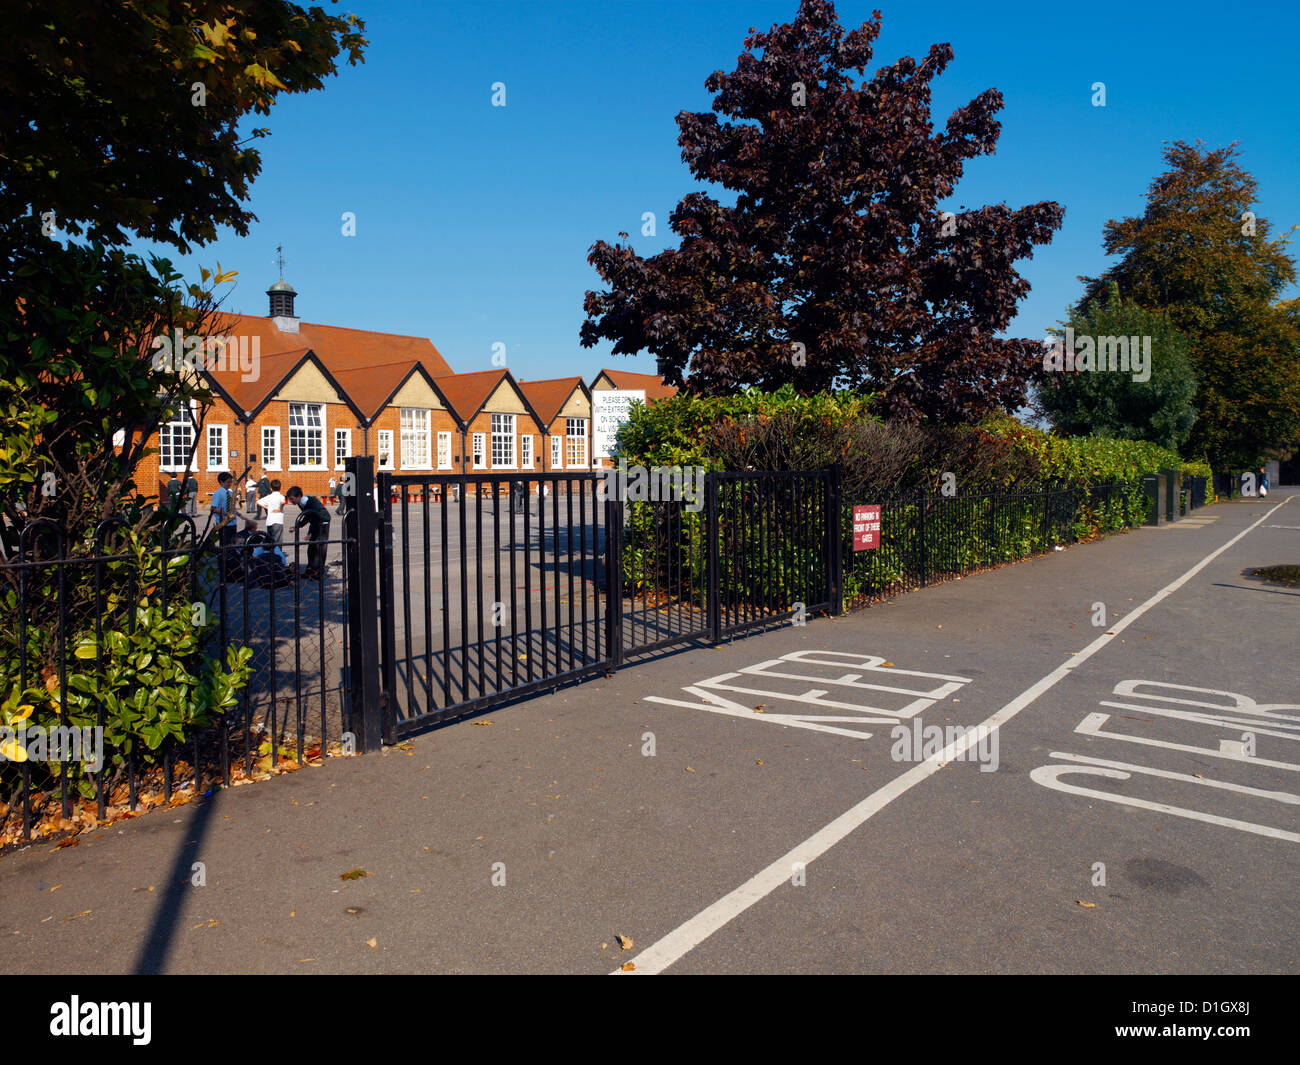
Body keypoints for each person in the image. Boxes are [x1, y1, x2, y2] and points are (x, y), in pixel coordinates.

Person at [285, 485, 331, 580]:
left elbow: (315, 517)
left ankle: (318, 572)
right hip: (315, 523)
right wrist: (297, 526)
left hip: (322, 522)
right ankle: (310, 571)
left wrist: (310, 532)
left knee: (319, 549)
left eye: (292, 499)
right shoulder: (301, 503)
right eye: (290, 499)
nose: (291, 501)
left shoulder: (309, 502)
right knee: (311, 549)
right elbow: (307, 516)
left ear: (299, 496)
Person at [258, 478, 286, 545]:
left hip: (270, 520)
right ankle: (277, 553)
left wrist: (267, 508)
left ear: (271, 488)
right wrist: (280, 508)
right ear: (280, 487)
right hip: (278, 520)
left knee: (270, 539)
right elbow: (283, 502)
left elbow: (258, 502)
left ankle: (270, 552)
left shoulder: (269, 497)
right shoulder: (281, 496)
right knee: (278, 540)